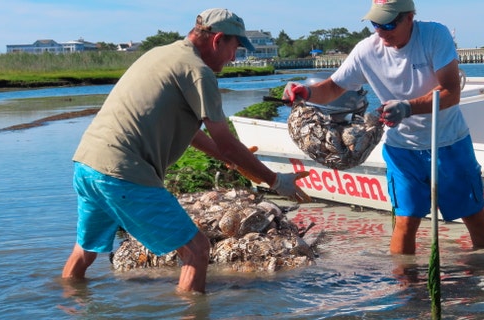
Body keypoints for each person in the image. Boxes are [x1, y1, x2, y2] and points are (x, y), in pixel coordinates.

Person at [62, 8, 310, 294]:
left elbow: (190, 131)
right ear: (218, 40)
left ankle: (69, 305)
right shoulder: (198, 72)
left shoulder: (160, 54)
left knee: (85, 250)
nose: (234, 58)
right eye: (235, 48)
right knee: (196, 250)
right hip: (124, 172)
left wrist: (229, 159)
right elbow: (226, 140)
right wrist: (277, 181)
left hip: (87, 164)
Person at [283, 0, 484, 254]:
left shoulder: (434, 35)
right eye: (375, 23)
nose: (381, 30)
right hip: (403, 149)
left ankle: (483, 283)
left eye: (388, 23)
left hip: (449, 143)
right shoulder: (366, 50)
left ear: (409, 17)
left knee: (474, 217)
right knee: (406, 223)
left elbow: (451, 91)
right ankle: (406, 289)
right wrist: (305, 91)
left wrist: (407, 107)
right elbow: (332, 88)